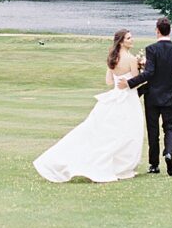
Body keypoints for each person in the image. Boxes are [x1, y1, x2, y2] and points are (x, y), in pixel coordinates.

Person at [33, 29, 144, 183]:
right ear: (122, 41)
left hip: (114, 96)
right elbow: (135, 83)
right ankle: (121, 167)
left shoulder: (113, 58)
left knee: (104, 130)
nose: (132, 40)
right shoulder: (131, 59)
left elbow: (109, 82)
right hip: (128, 99)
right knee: (129, 131)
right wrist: (139, 69)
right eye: (129, 38)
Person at [117, 17, 172, 176]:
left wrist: (129, 83)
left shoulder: (152, 49)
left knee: (153, 131)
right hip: (170, 96)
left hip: (152, 97)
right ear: (170, 30)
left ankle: (154, 165)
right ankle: (168, 153)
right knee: (170, 128)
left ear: (157, 30)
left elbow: (149, 73)